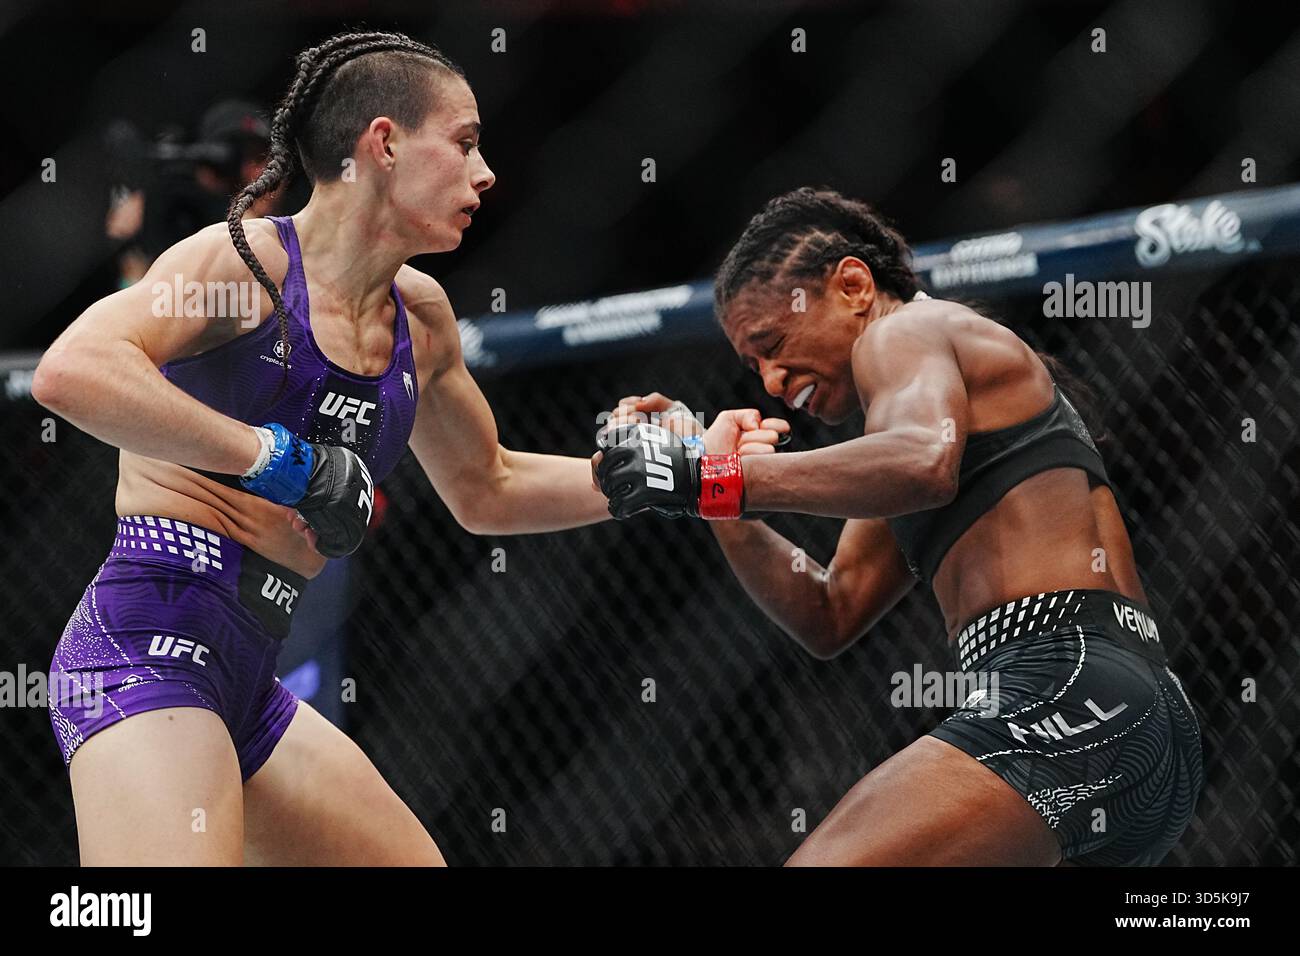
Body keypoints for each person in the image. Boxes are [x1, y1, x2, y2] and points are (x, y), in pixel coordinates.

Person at [33, 29, 774, 866]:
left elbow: (488, 486)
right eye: (463, 143)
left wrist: (666, 476)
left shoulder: (419, 318)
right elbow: (74, 371)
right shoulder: (243, 261)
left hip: (249, 676)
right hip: (150, 639)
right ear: (382, 144)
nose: (486, 172)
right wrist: (281, 460)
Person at [595, 187, 1204, 866]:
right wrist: (714, 492)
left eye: (772, 343)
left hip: (1070, 687)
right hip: (1129, 722)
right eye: (751, 364)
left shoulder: (906, 331)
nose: (768, 380)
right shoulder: (906, 426)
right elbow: (832, 609)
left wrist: (708, 478)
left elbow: (923, 463)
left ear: (853, 285)